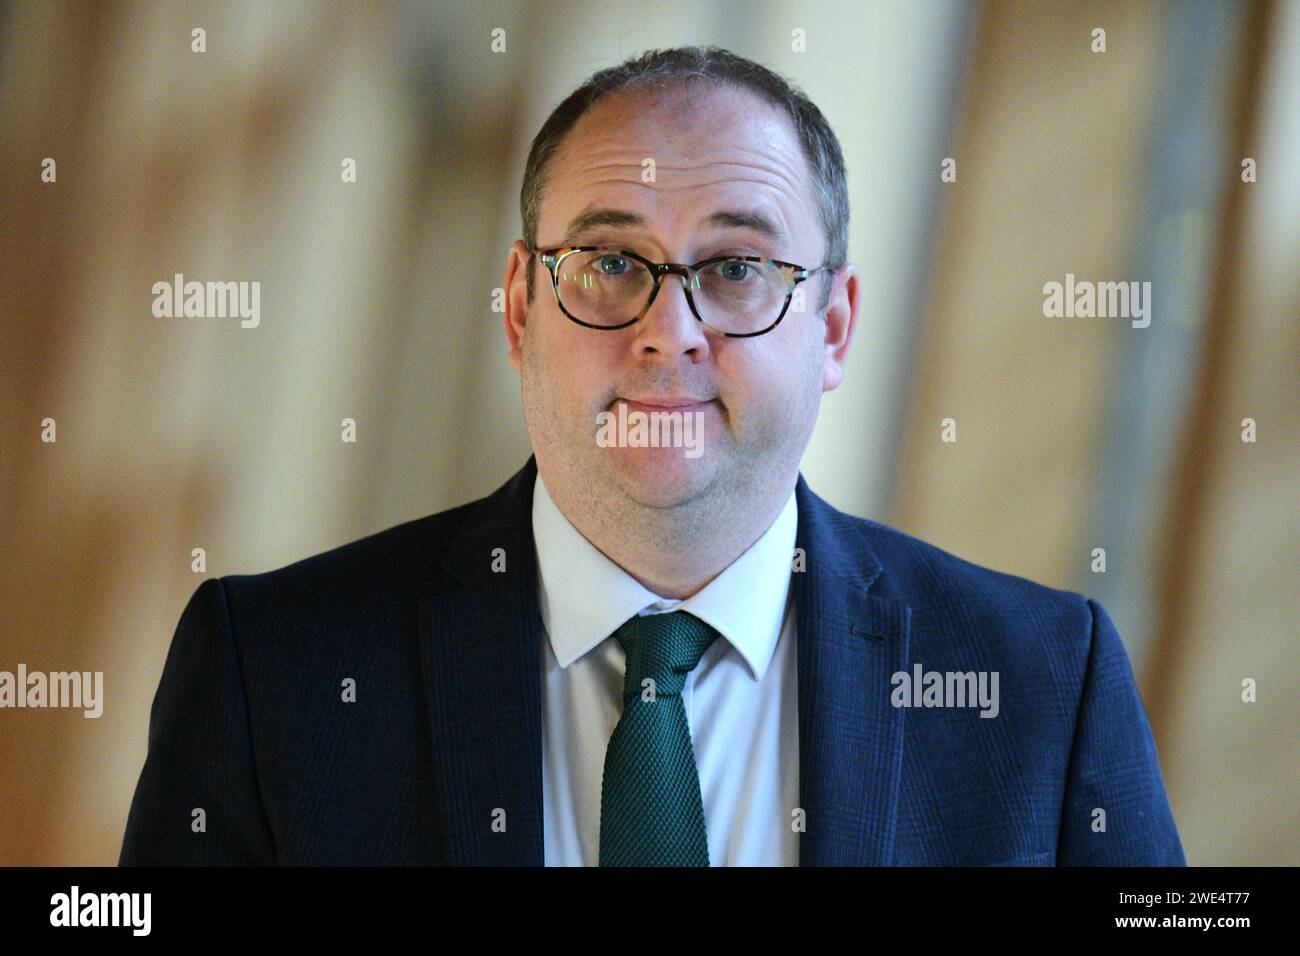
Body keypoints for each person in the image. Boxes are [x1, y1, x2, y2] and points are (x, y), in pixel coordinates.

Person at [119, 45, 1185, 866]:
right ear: (520, 307)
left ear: (835, 329)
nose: (667, 330)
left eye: (732, 267)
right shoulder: (273, 670)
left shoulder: (1045, 683)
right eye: (610, 260)